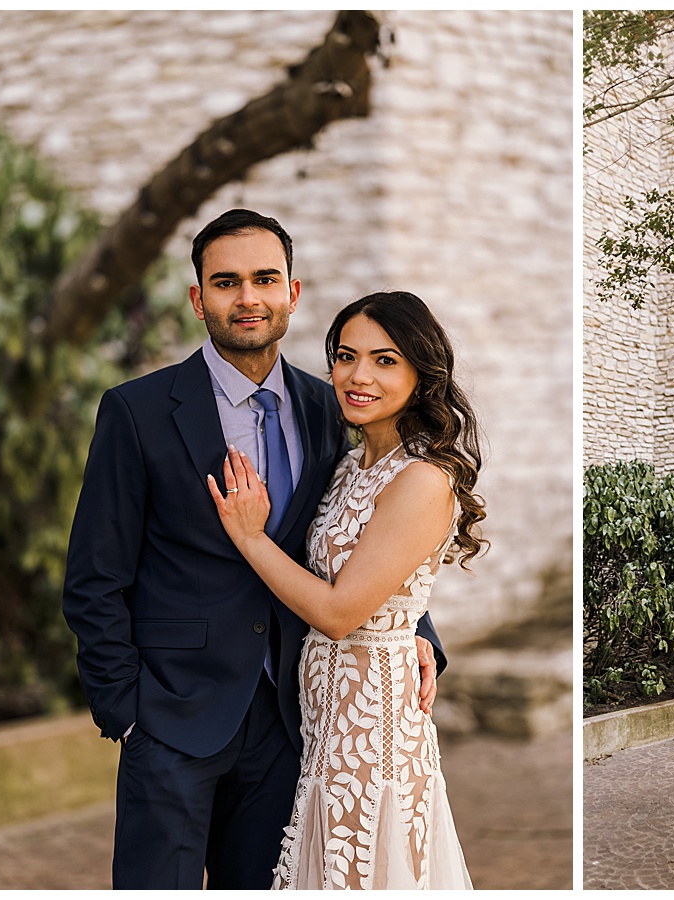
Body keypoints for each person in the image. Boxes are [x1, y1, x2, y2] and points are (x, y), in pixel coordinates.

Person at [61, 209, 447, 889]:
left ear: (292, 293)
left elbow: (366, 533)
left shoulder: (331, 406)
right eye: (226, 282)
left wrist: (416, 629)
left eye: (265, 279)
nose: (248, 298)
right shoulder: (138, 411)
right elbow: (95, 577)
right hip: (172, 718)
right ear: (198, 297)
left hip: (291, 727)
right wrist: (125, 712)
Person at [209, 290, 484, 889]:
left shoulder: (423, 479)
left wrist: (251, 539)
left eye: (386, 361)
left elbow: (338, 611)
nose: (360, 376)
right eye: (345, 356)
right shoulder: (346, 465)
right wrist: (413, 631)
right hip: (320, 726)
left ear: (422, 372)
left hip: (372, 731)